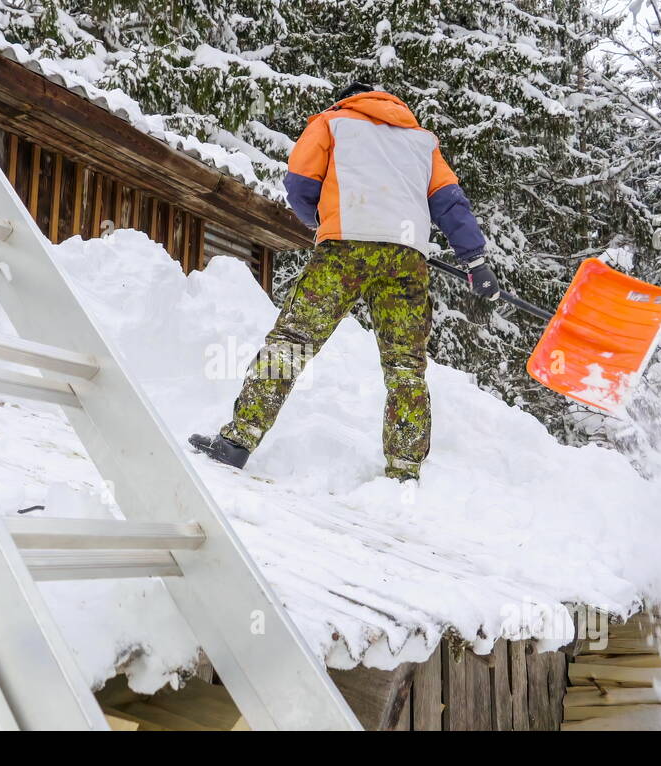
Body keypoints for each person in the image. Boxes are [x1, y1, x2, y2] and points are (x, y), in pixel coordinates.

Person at [189, 81, 498, 482]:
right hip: (406, 255)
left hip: (344, 248)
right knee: (406, 366)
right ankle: (404, 472)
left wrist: (323, 221)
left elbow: (299, 184)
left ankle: (238, 441)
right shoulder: (422, 142)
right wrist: (474, 260)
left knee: (294, 342)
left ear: (349, 99)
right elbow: (449, 203)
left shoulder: (332, 121)